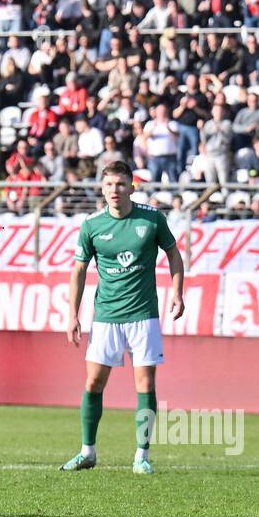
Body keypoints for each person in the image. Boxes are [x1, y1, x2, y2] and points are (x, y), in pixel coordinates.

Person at [62, 162, 186, 475]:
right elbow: (78, 270)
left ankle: (141, 456)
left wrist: (177, 292)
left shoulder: (152, 218)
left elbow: (174, 254)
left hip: (143, 315)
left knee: (145, 384)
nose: (114, 190)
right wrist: (72, 315)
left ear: (131, 186)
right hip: (106, 316)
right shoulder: (92, 225)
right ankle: (87, 451)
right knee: (93, 382)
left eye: (120, 184)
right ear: (102, 190)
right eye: (109, 185)